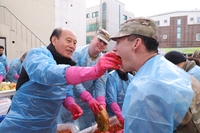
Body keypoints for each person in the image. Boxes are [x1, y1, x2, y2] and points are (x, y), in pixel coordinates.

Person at [0, 28, 121, 133]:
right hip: (21, 125)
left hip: (48, 126)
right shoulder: (37, 54)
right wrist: (94, 71)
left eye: (75, 42)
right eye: (68, 41)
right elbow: (50, 73)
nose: (72, 45)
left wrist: (71, 104)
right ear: (54, 40)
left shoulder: (67, 62)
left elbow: (65, 90)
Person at [110, 17, 194, 133]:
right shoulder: (169, 70)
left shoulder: (146, 89)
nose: (114, 49)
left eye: (118, 42)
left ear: (136, 43)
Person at [57, 28, 111, 130]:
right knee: (67, 127)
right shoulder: (76, 54)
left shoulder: (103, 60)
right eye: (100, 40)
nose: (101, 44)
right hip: (70, 97)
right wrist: (87, 97)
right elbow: (73, 79)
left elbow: (101, 83)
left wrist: (101, 102)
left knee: (86, 128)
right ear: (93, 38)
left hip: (87, 102)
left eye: (104, 43)